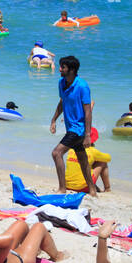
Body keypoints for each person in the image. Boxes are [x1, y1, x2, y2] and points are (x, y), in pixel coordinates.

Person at [50, 55, 94, 194]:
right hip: (71, 128)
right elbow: (62, 102)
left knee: (56, 153)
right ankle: (92, 190)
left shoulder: (82, 86)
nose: (59, 69)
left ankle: (62, 189)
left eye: (63, 67)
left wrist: (87, 135)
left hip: (78, 129)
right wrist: (53, 120)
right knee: (82, 159)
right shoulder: (61, 83)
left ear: (72, 69)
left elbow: (88, 111)